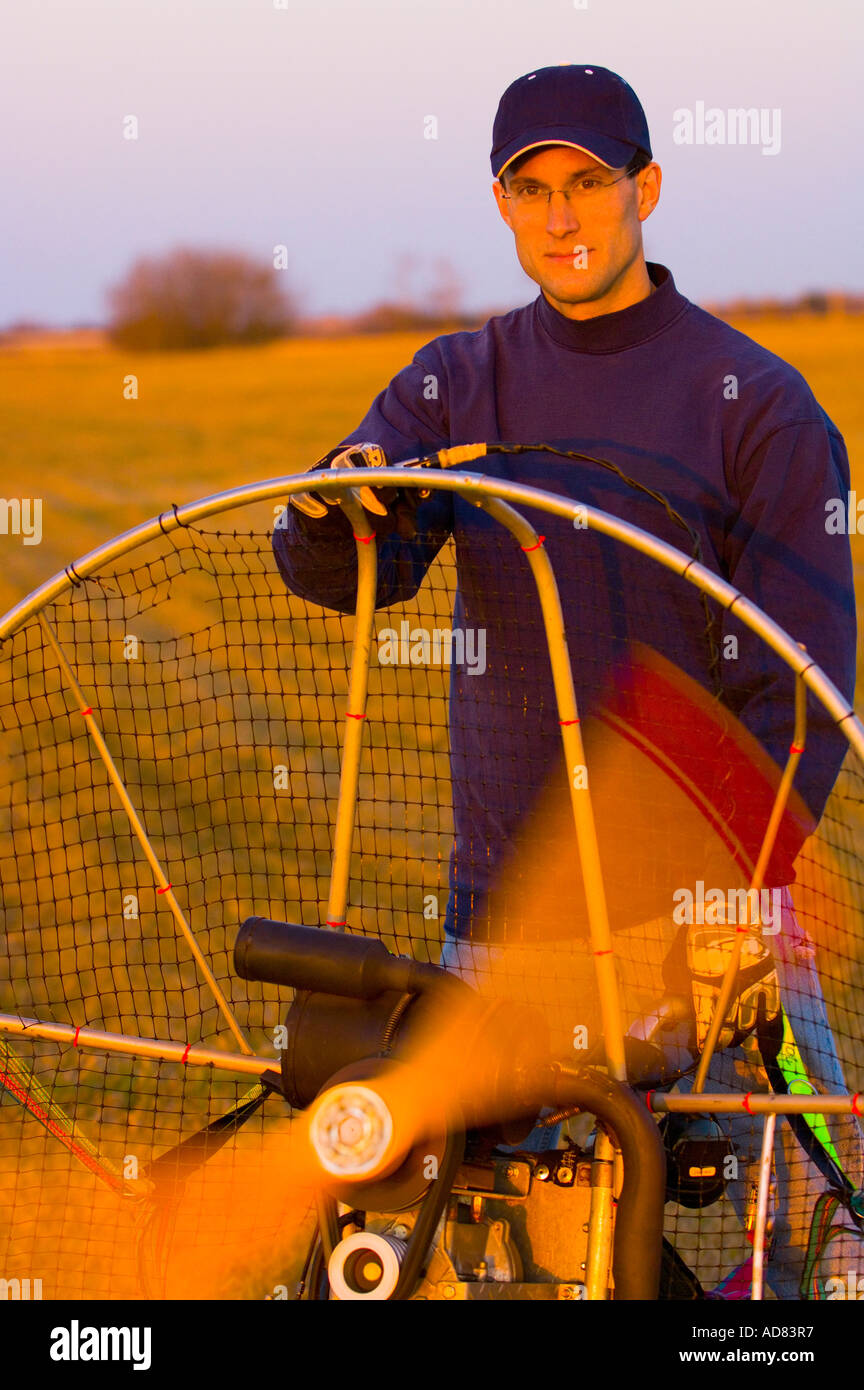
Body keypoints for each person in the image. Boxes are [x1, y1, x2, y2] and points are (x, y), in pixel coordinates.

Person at [272, 64, 863, 1298]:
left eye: (588, 182)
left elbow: (804, 694)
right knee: (520, 1251)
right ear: (500, 203)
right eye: (530, 188)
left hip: (707, 928)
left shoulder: (756, 401)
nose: (562, 214)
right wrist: (342, 497)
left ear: (645, 187)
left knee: (811, 1247)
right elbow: (338, 569)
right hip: (500, 923)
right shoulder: (458, 379)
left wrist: (728, 891)